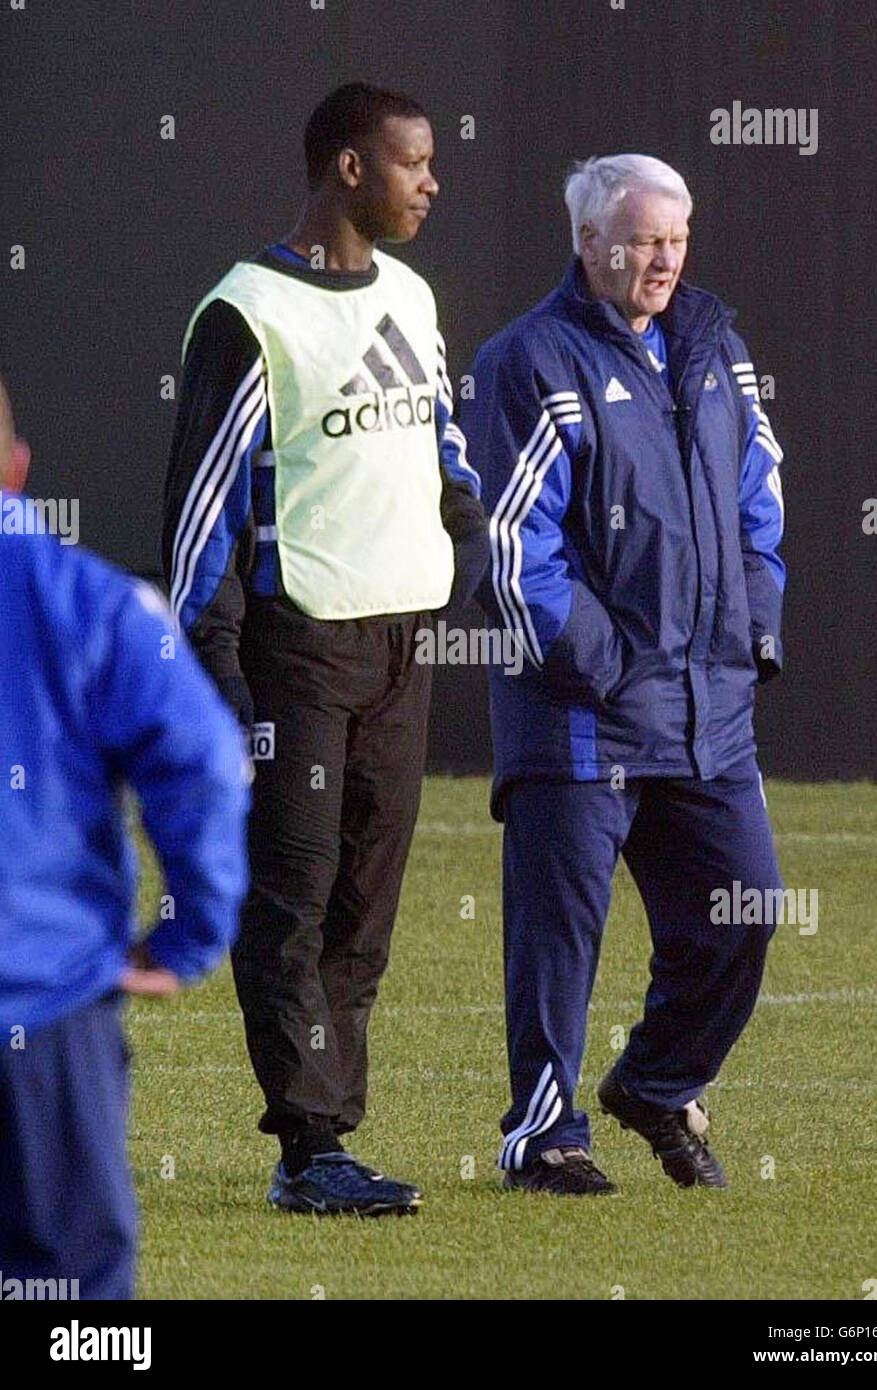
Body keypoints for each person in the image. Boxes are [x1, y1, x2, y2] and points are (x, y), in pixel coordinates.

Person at [162, 83, 487, 1217]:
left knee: (364, 905)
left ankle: (332, 1135)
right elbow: (202, 517)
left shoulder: (409, 290)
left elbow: (443, 435)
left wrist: (464, 528)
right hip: (297, 652)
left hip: (403, 647)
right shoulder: (246, 313)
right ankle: (308, 1144)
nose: (431, 183)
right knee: (293, 899)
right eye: (412, 163)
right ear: (350, 169)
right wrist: (216, 672)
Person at [459, 154, 786, 1195]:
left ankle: (655, 1084)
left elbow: (760, 505)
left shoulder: (714, 349)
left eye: (677, 237)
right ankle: (543, 1136)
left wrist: (748, 632)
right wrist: (602, 661)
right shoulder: (527, 361)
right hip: (581, 716)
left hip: (707, 712)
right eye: (643, 239)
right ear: (588, 242)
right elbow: (509, 547)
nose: (663, 258)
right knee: (559, 939)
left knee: (746, 907)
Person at [0, 377, 249, 1297]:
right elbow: (208, 762)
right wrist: (189, 936)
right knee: (77, 1306)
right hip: (46, 1010)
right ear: (19, 469)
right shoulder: (90, 601)